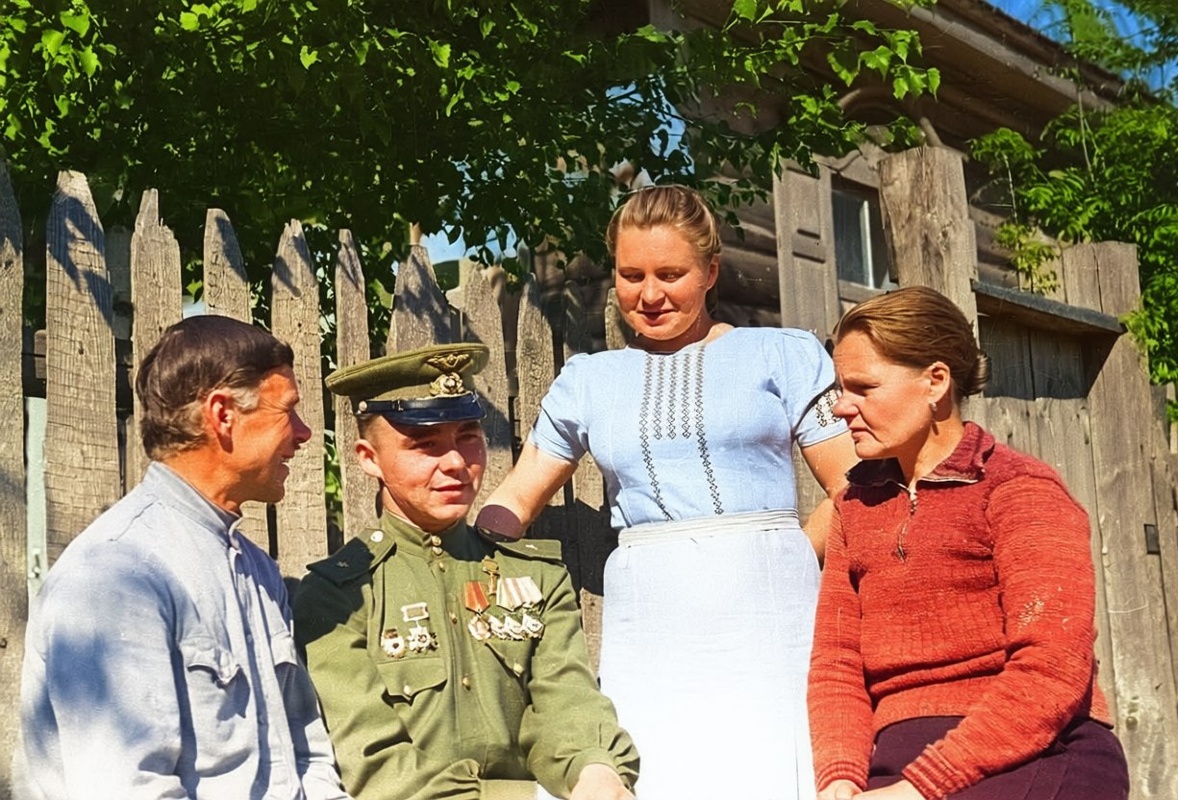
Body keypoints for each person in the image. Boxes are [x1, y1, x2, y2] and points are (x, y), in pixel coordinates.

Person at [477, 184, 860, 799]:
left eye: (670, 273)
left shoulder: (781, 355)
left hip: (770, 608)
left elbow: (854, 487)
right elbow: (517, 498)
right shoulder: (591, 380)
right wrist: (460, 544)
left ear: (710, 271)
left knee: (772, 765)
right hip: (652, 612)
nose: (649, 295)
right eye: (631, 275)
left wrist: (788, 549)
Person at [808, 286, 1129, 800]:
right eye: (840, 388)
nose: (842, 407)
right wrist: (840, 780)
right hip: (896, 764)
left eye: (863, 387)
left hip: (1036, 751)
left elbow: (1052, 668)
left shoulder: (1018, 490)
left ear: (936, 381)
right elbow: (837, 664)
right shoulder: (854, 505)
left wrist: (921, 788)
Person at [17, 315, 348, 800]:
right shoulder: (116, 577)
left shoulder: (257, 570)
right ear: (223, 415)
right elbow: (126, 788)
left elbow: (307, 752)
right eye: (288, 413)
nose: (303, 433)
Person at [293, 343, 638, 800]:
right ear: (368, 458)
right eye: (425, 444)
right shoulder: (339, 595)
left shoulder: (537, 577)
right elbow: (375, 765)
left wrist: (595, 772)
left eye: (468, 437)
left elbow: (566, 702)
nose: (455, 462)